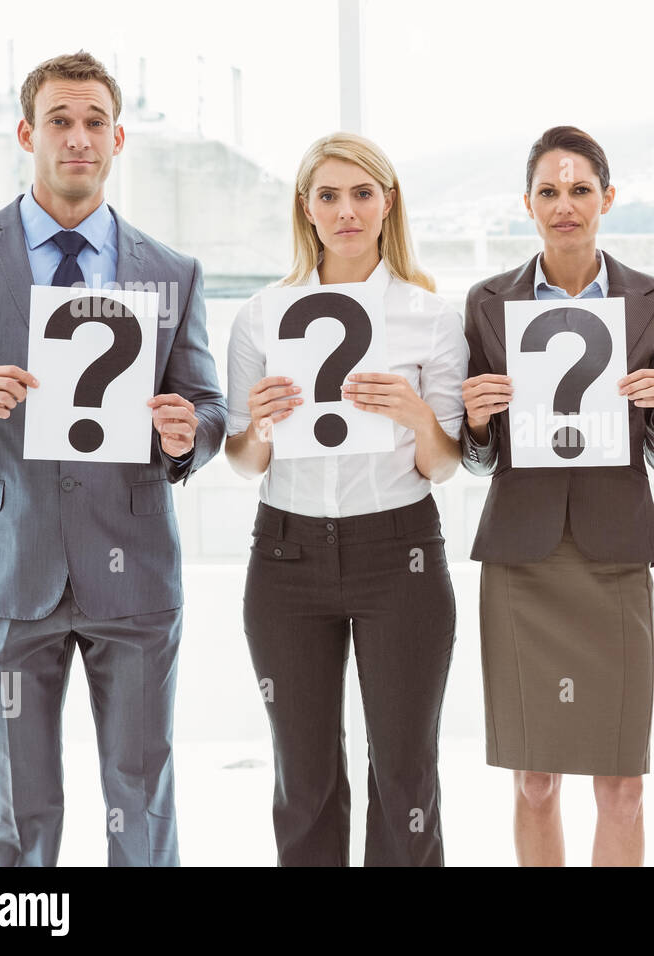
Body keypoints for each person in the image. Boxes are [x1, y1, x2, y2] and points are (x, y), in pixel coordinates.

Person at [0, 51, 226, 866]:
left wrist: (188, 430)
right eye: (60, 120)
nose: (78, 137)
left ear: (118, 138)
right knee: (18, 812)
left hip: (134, 575)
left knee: (142, 796)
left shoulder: (172, 271)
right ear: (28, 132)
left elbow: (209, 403)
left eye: (94, 122)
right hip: (4, 568)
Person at [225, 132, 465, 866]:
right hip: (286, 553)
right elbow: (241, 458)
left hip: (401, 554)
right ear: (307, 209)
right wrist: (260, 425)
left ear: (388, 203)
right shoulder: (262, 314)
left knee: (404, 771)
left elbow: (446, 463)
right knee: (303, 777)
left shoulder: (431, 315)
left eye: (362, 193)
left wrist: (418, 417)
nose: (347, 211)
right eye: (328, 195)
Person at [459, 125, 654, 866]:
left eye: (580, 190)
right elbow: (476, 455)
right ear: (527, 203)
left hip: (614, 554)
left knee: (622, 782)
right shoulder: (487, 301)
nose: (566, 206)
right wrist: (475, 419)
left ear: (607, 199)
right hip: (522, 557)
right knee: (534, 781)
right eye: (550, 193)